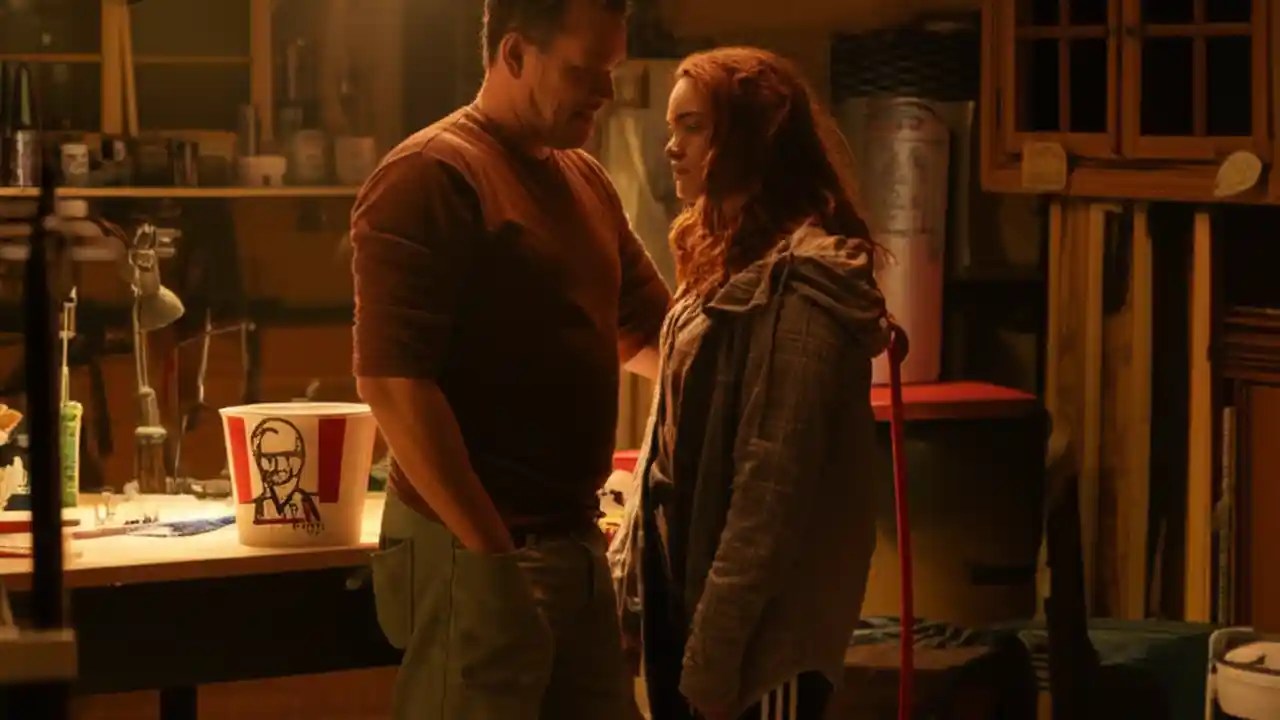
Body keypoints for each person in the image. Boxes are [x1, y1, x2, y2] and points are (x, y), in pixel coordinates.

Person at [348, 0, 671, 717]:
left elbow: (658, 337)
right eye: (586, 71)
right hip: (473, 547)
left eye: (612, 70)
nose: (607, 92)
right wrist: (490, 556)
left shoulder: (585, 180)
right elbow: (393, 383)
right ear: (516, 54)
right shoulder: (431, 175)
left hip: (573, 540)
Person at [609, 47, 895, 720]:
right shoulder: (722, 258)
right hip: (689, 608)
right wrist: (631, 582)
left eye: (693, 127)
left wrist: (713, 662)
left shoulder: (800, 287)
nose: (672, 146)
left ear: (752, 137)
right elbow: (667, 435)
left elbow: (771, 495)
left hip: (762, 650)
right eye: (672, 127)